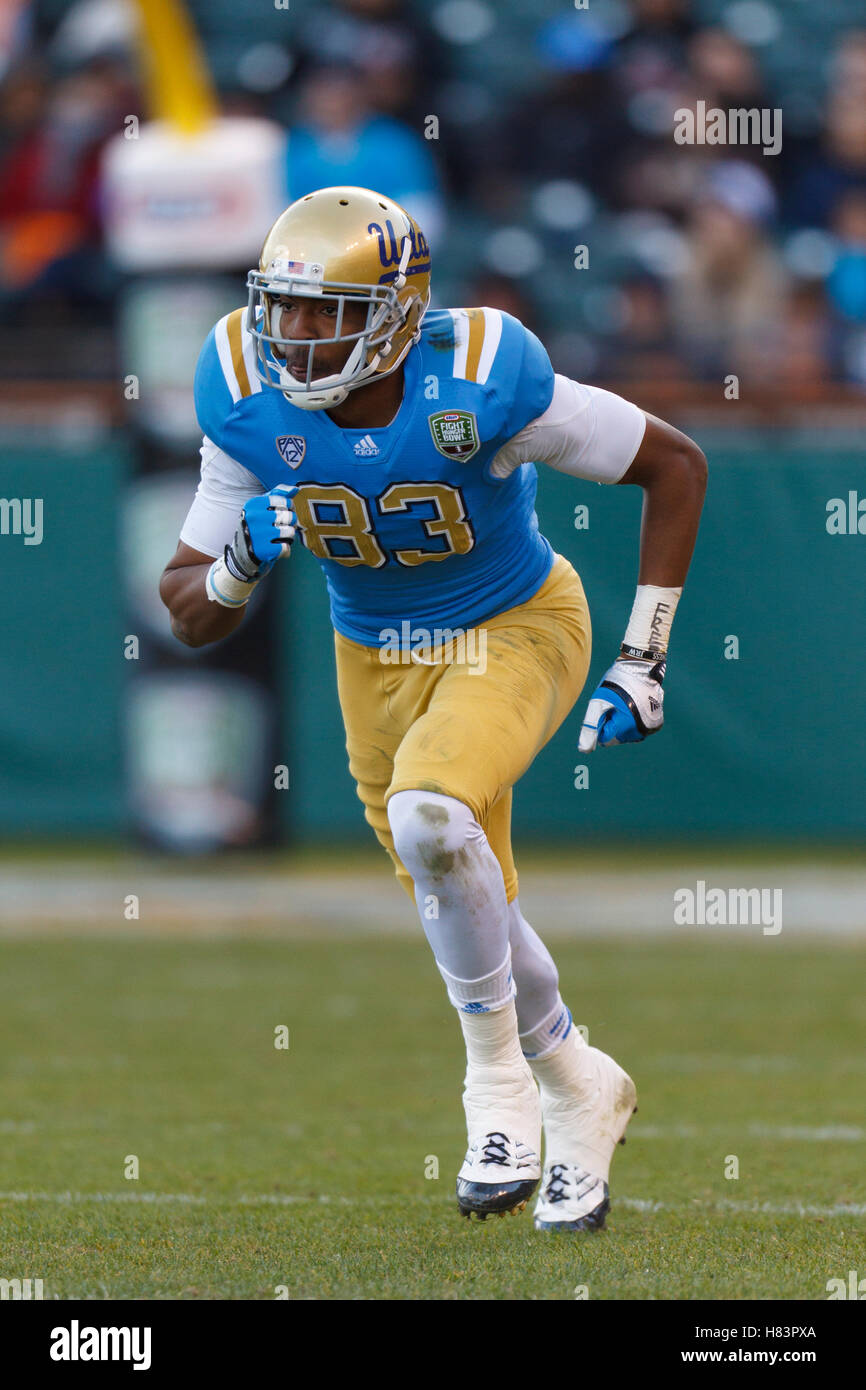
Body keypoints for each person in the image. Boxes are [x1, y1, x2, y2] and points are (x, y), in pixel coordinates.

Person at [159, 186, 707, 1230]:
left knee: (428, 815)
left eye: (326, 311)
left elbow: (674, 464)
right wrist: (234, 568)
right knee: (458, 875)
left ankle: (494, 1086)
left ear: (398, 313)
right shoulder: (240, 388)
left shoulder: (480, 376)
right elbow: (187, 607)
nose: (295, 336)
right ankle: (577, 1081)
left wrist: (644, 658)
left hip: (513, 624)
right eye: (282, 306)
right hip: (369, 656)